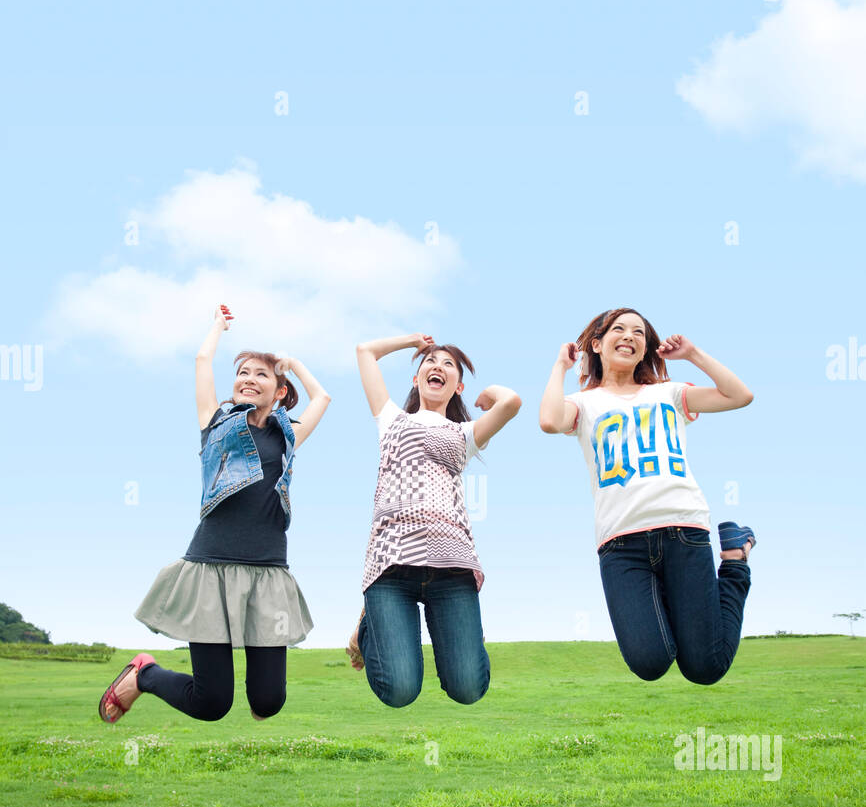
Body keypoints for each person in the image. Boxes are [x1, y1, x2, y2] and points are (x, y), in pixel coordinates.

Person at [98, 305, 330, 724]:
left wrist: (293, 363)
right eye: (243, 372)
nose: (248, 379)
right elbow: (203, 360)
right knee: (211, 703)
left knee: (268, 702)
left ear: (279, 391)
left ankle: (159, 678)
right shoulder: (215, 423)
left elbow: (323, 398)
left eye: (261, 374)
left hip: (267, 572)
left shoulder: (287, 435)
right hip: (211, 568)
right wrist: (218, 327)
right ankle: (144, 674)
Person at [539, 308, 755, 685]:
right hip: (621, 544)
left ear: (645, 350)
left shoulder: (669, 393)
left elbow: (740, 396)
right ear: (596, 344)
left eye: (639, 333)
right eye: (619, 329)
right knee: (649, 662)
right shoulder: (584, 404)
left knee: (705, 668)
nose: (629, 336)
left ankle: (735, 559)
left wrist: (692, 355)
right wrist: (560, 366)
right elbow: (548, 420)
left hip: (683, 530)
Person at [347, 333, 521, 707]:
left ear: (457, 386)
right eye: (430, 362)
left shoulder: (465, 434)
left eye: (448, 365)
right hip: (392, 564)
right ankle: (369, 627)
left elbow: (511, 403)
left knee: (468, 689)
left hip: (451, 566)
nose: (437, 367)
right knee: (399, 691)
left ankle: (467, 635)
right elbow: (365, 352)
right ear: (416, 379)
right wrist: (412, 342)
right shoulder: (390, 418)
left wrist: (487, 395)